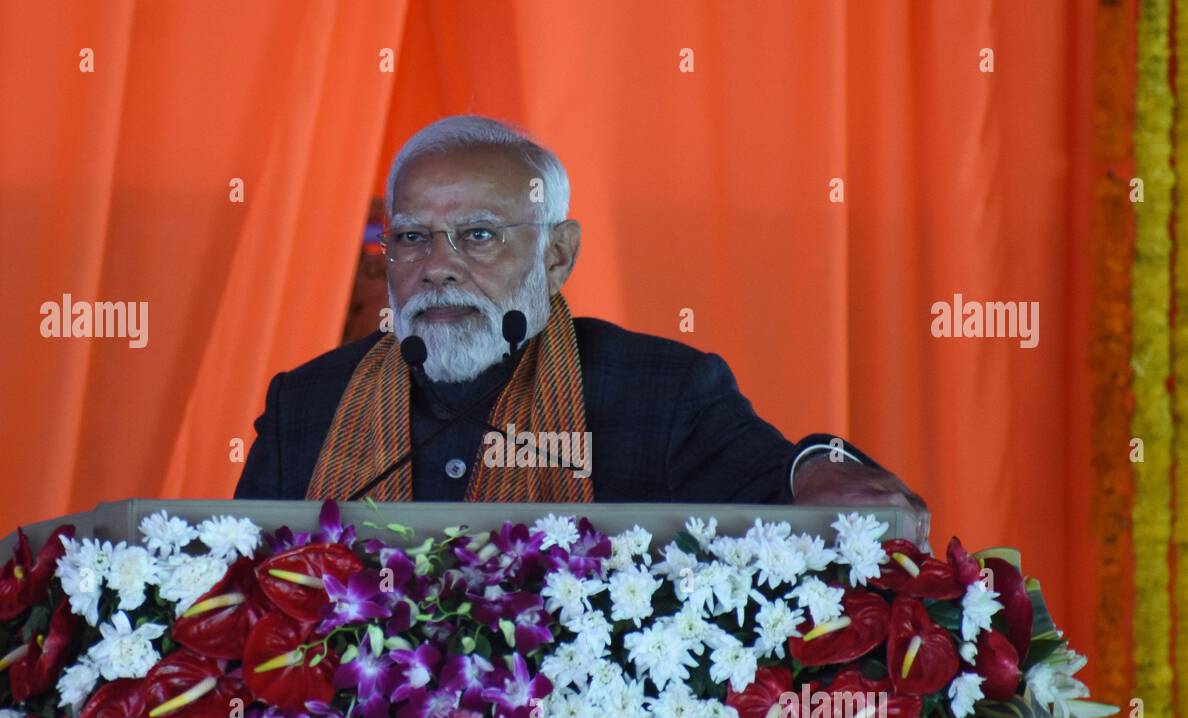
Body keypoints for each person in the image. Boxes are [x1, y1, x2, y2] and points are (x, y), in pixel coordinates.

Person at [234, 115, 928, 544]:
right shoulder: (309, 405)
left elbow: (789, 488)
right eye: (412, 237)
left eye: (477, 235)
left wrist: (817, 464)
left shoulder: (661, 394)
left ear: (558, 255)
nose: (436, 268)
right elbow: (230, 587)